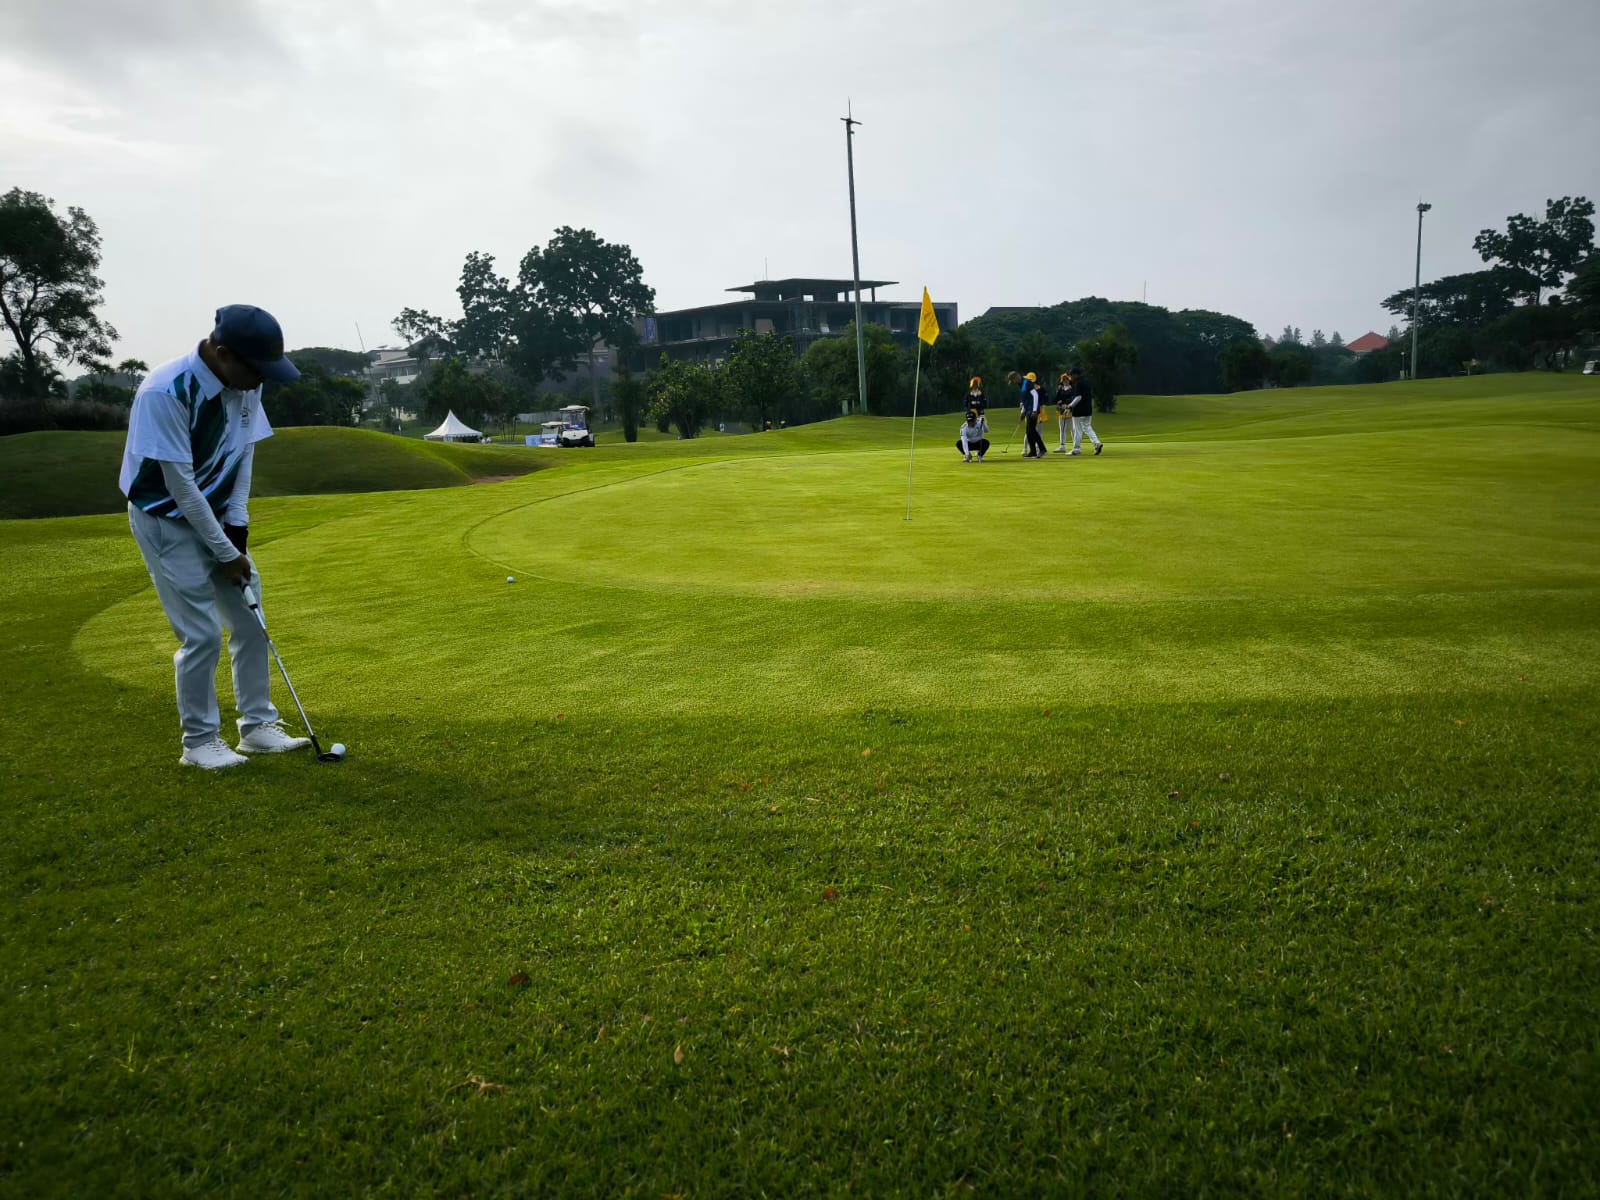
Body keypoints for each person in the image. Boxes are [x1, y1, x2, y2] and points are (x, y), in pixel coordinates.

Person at [120, 305, 312, 769]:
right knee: (200, 633)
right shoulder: (165, 392)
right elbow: (179, 485)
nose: (262, 381)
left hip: (216, 515)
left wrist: (237, 529)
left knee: (250, 619)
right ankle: (199, 742)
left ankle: (257, 727)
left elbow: (243, 457)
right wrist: (225, 551)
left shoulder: (246, 384)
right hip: (165, 519)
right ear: (223, 354)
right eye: (257, 370)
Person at [1066, 370, 1104, 456]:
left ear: (1076, 375)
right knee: (1087, 427)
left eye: (1071, 375)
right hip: (1087, 409)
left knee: (1077, 430)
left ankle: (1076, 449)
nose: (1070, 377)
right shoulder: (1086, 382)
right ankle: (1097, 443)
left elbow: (1078, 397)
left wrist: (1070, 406)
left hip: (1079, 410)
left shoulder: (1078, 383)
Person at [1020, 372, 1047, 458]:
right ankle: (1033, 451)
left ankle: (1041, 449)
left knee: (1032, 430)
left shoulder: (1038, 389)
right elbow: (1025, 400)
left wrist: (1035, 410)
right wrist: (1023, 411)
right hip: (1028, 410)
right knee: (1029, 431)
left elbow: (1037, 399)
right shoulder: (1026, 386)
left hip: (1034, 411)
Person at [1052, 373, 1074, 453]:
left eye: (1066, 379)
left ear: (1069, 380)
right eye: (1063, 380)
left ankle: (1075, 445)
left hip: (1070, 410)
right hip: (1061, 410)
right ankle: (1062, 446)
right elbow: (1055, 399)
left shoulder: (1072, 388)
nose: (1065, 381)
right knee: (1062, 429)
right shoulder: (1060, 389)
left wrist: (1066, 402)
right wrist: (1058, 392)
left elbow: (1072, 398)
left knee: (1072, 429)